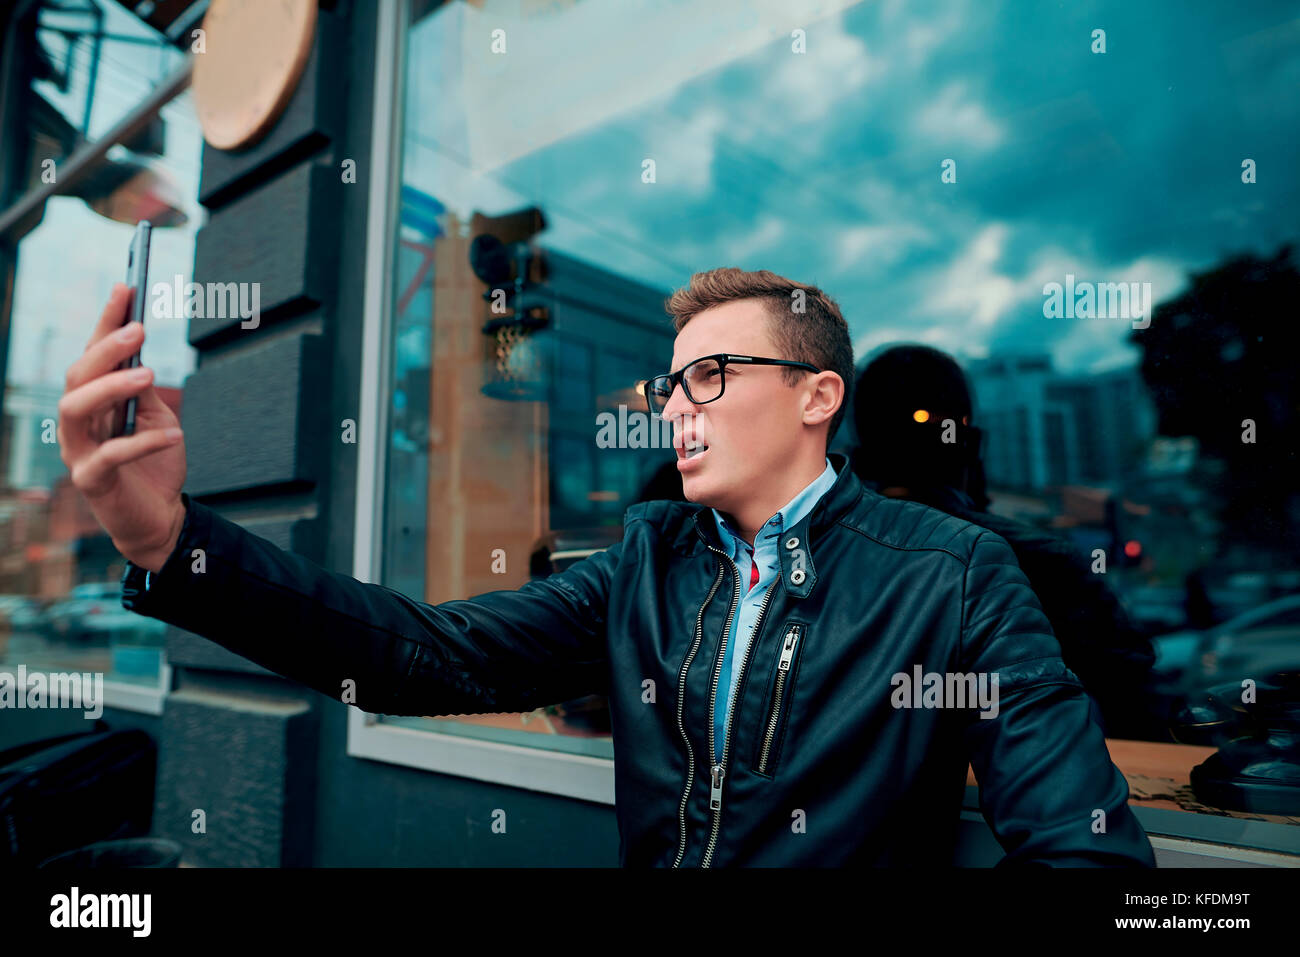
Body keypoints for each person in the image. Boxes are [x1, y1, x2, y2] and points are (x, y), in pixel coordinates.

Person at [59, 269, 1154, 866]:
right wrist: (170, 543)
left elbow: (1086, 852)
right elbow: (425, 657)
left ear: (820, 398)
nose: (676, 407)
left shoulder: (953, 573)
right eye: (673, 385)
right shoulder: (649, 559)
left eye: (713, 375)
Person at [850, 345, 1169, 742]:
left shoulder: (816, 557)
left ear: (860, 448)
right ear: (966, 444)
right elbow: (1132, 699)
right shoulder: (1036, 562)